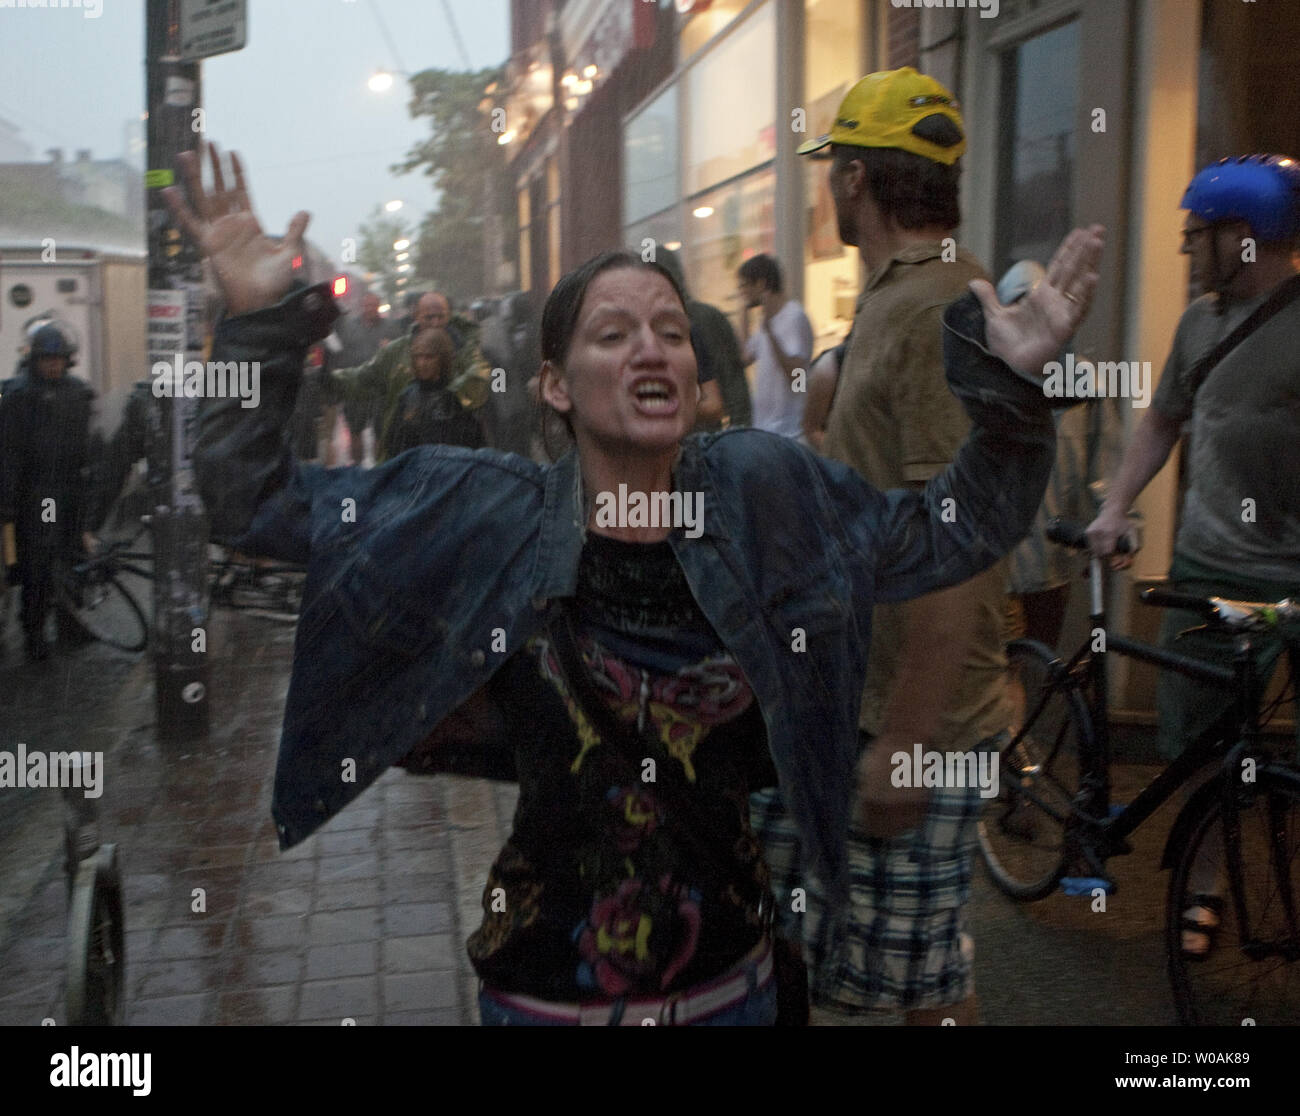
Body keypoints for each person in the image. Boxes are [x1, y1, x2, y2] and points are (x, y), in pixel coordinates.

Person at [166, 141, 1102, 1026]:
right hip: (544, 992)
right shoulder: (484, 510)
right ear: (556, 386)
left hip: (731, 987)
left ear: (697, 378)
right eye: (612, 334)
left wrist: (1013, 397)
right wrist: (253, 329)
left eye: (669, 332)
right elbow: (254, 502)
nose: (651, 349)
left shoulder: (768, 496)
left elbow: (956, 530)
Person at [756, 67, 1013, 1027]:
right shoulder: (907, 297)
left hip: (922, 721)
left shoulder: (943, 310)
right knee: (913, 974)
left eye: (833, 169)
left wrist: (905, 739)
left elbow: (962, 541)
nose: (828, 187)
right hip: (870, 698)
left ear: (856, 180)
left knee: (924, 988)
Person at [1085, 153, 1300, 959]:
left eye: (1196, 236)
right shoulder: (1198, 324)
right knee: (1206, 755)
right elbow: (1162, 422)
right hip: (1210, 568)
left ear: (1243, 238)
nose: (1187, 252)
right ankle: (1203, 886)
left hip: (1295, 575)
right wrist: (1114, 505)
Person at [996, 260, 1127, 654]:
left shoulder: (1082, 381)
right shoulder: (984, 376)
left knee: (1041, 663)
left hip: (1050, 558)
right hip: (993, 559)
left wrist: (1112, 523)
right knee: (998, 672)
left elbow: (1103, 460)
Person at [0, 324, 97, 661]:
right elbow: (9, 453)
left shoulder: (77, 393)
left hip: (68, 489)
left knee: (70, 558)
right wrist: (8, 502)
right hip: (40, 494)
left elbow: (87, 447)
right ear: (36, 360)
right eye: (47, 360)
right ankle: (35, 632)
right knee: (39, 563)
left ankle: (68, 623)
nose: (53, 366)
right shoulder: (19, 396)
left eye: (58, 360)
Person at [659, 248, 750, 432]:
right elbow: (735, 380)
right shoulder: (707, 316)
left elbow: (732, 379)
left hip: (704, 435)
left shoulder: (702, 319)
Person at [379, 326, 484, 460]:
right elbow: (394, 446)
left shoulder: (457, 395)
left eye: (429, 357)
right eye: (418, 357)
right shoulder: (408, 396)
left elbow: (474, 446)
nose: (422, 363)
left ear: (443, 358)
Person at [738, 255, 813, 439]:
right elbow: (745, 358)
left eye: (745, 285)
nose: (743, 291)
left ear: (762, 284)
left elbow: (798, 379)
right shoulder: (767, 320)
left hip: (789, 431)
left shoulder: (794, 316)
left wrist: (771, 332)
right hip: (765, 429)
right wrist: (744, 317)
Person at [332, 292, 400, 455]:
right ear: (362, 306)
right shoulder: (349, 327)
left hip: (380, 389)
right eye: (367, 305)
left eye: (373, 305)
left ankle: (379, 468)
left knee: (381, 431)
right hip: (356, 386)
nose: (370, 309)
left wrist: (389, 347)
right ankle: (356, 466)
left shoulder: (390, 327)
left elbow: (400, 353)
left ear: (378, 307)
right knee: (355, 430)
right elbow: (339, 352)